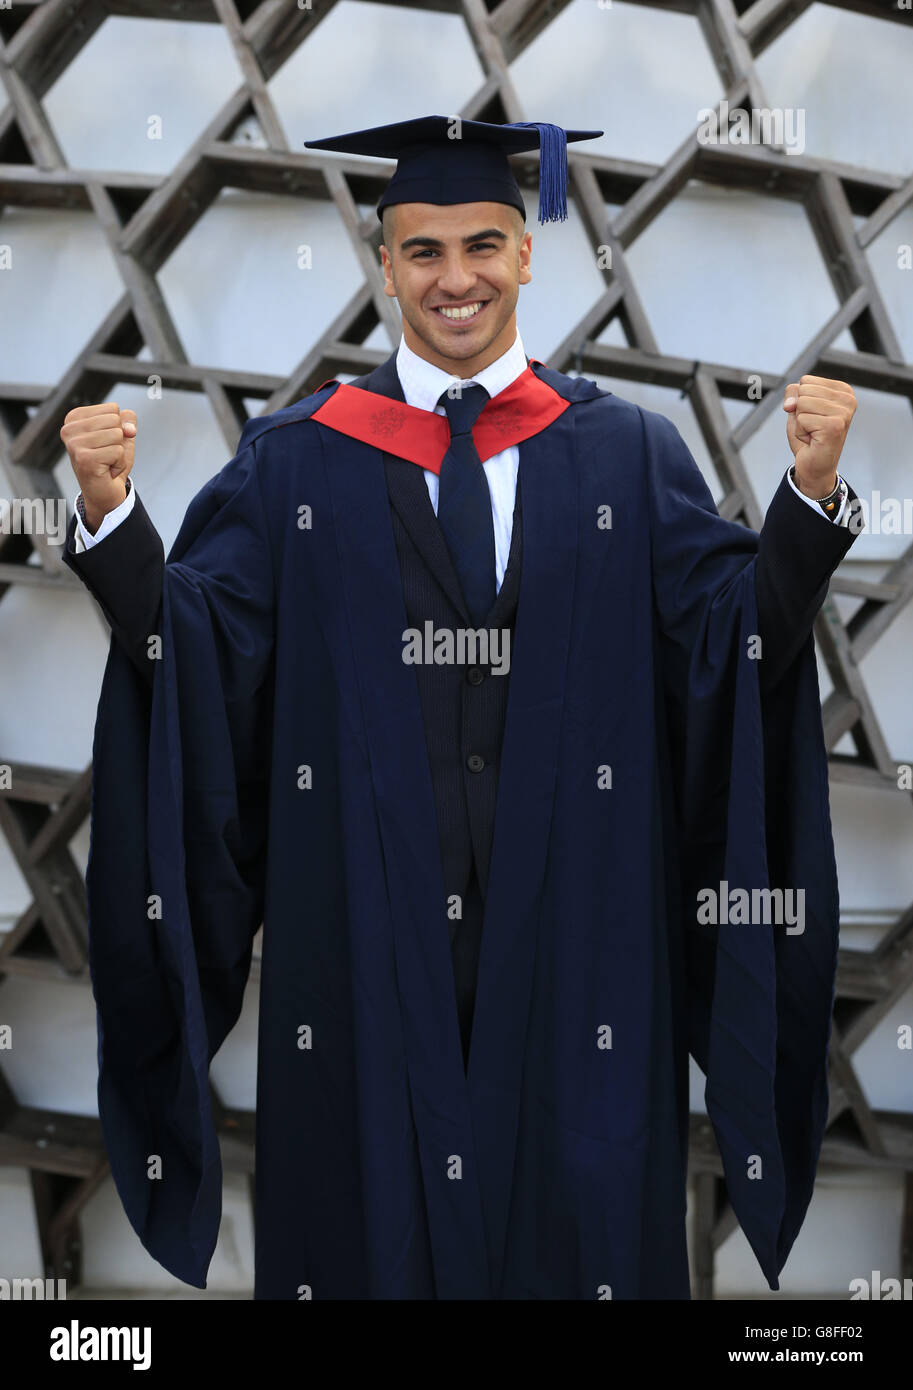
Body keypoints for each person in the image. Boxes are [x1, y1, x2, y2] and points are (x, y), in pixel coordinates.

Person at [59, 116, 863, 1300]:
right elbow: (196, 649)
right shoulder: (298, 464)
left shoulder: (624, 460)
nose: (456, 279)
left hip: (579, 966)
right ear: (382, 263)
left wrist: (807, 499)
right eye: (422, 251)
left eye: (483, 244)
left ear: (528, 255)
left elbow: (733, 643)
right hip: (367, 970)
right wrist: (115, 524)